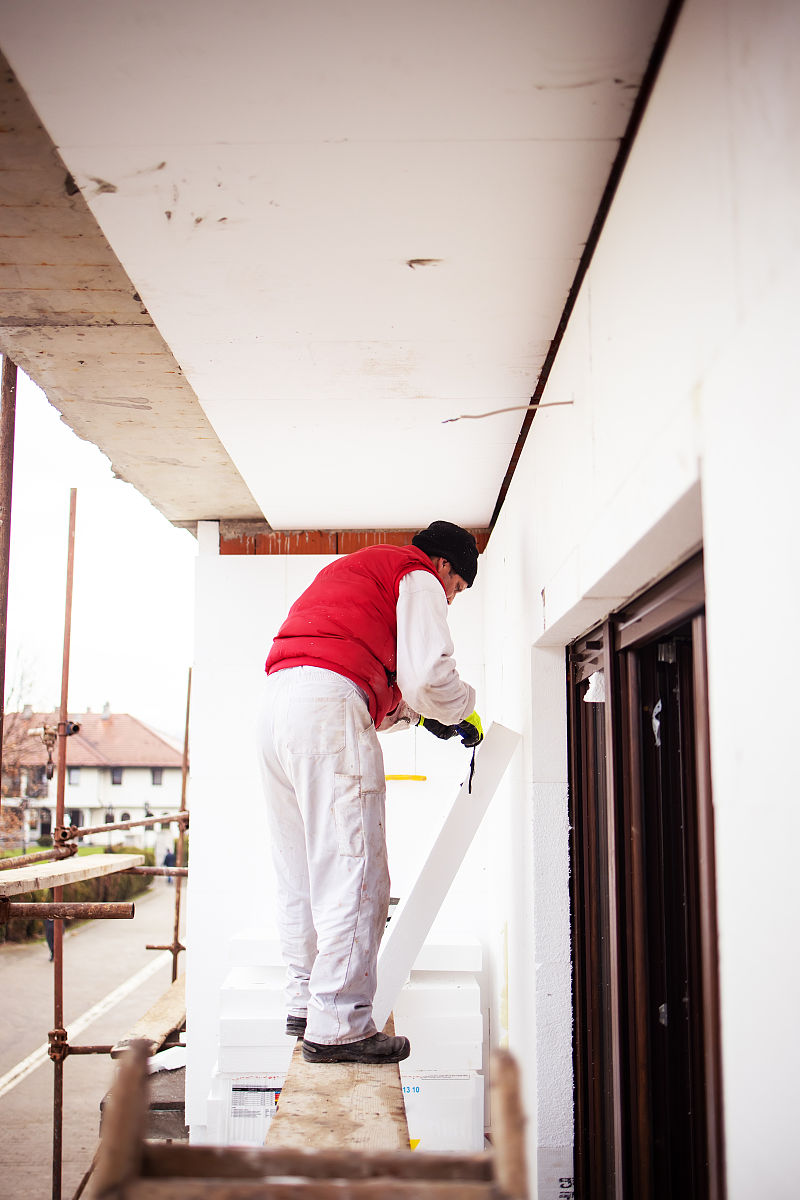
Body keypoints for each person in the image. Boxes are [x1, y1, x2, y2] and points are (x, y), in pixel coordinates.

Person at [257, 521, 483, 1065]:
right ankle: (338, 1025)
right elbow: (428, 676)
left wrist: (419, 718)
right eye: (458, 589)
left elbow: (359, 676)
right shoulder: (420, 573)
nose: (450, 598)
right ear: (447, 567)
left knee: (302, 869)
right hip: (326, 705)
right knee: (354, 869)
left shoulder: (359, 570)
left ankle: (303, 1000)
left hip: (277, 708)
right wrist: (460, 708)